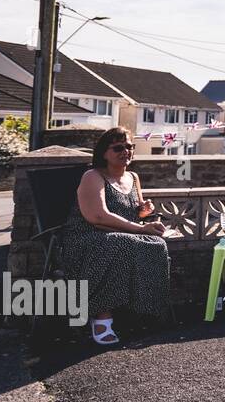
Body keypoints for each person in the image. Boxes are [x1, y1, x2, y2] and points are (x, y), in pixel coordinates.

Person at [61, 127, 171, 346]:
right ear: (104, 152)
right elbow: (97, 216)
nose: (126, 151)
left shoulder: (133, 177)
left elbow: (133, 214)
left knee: (157, 244)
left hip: (122, 233)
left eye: (129, 147)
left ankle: (144, 310)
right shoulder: (93, 176)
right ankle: (101, 318)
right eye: (118, 148)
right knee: (119, 244)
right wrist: (140, 229)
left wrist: (143, 213)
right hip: (87, 237)